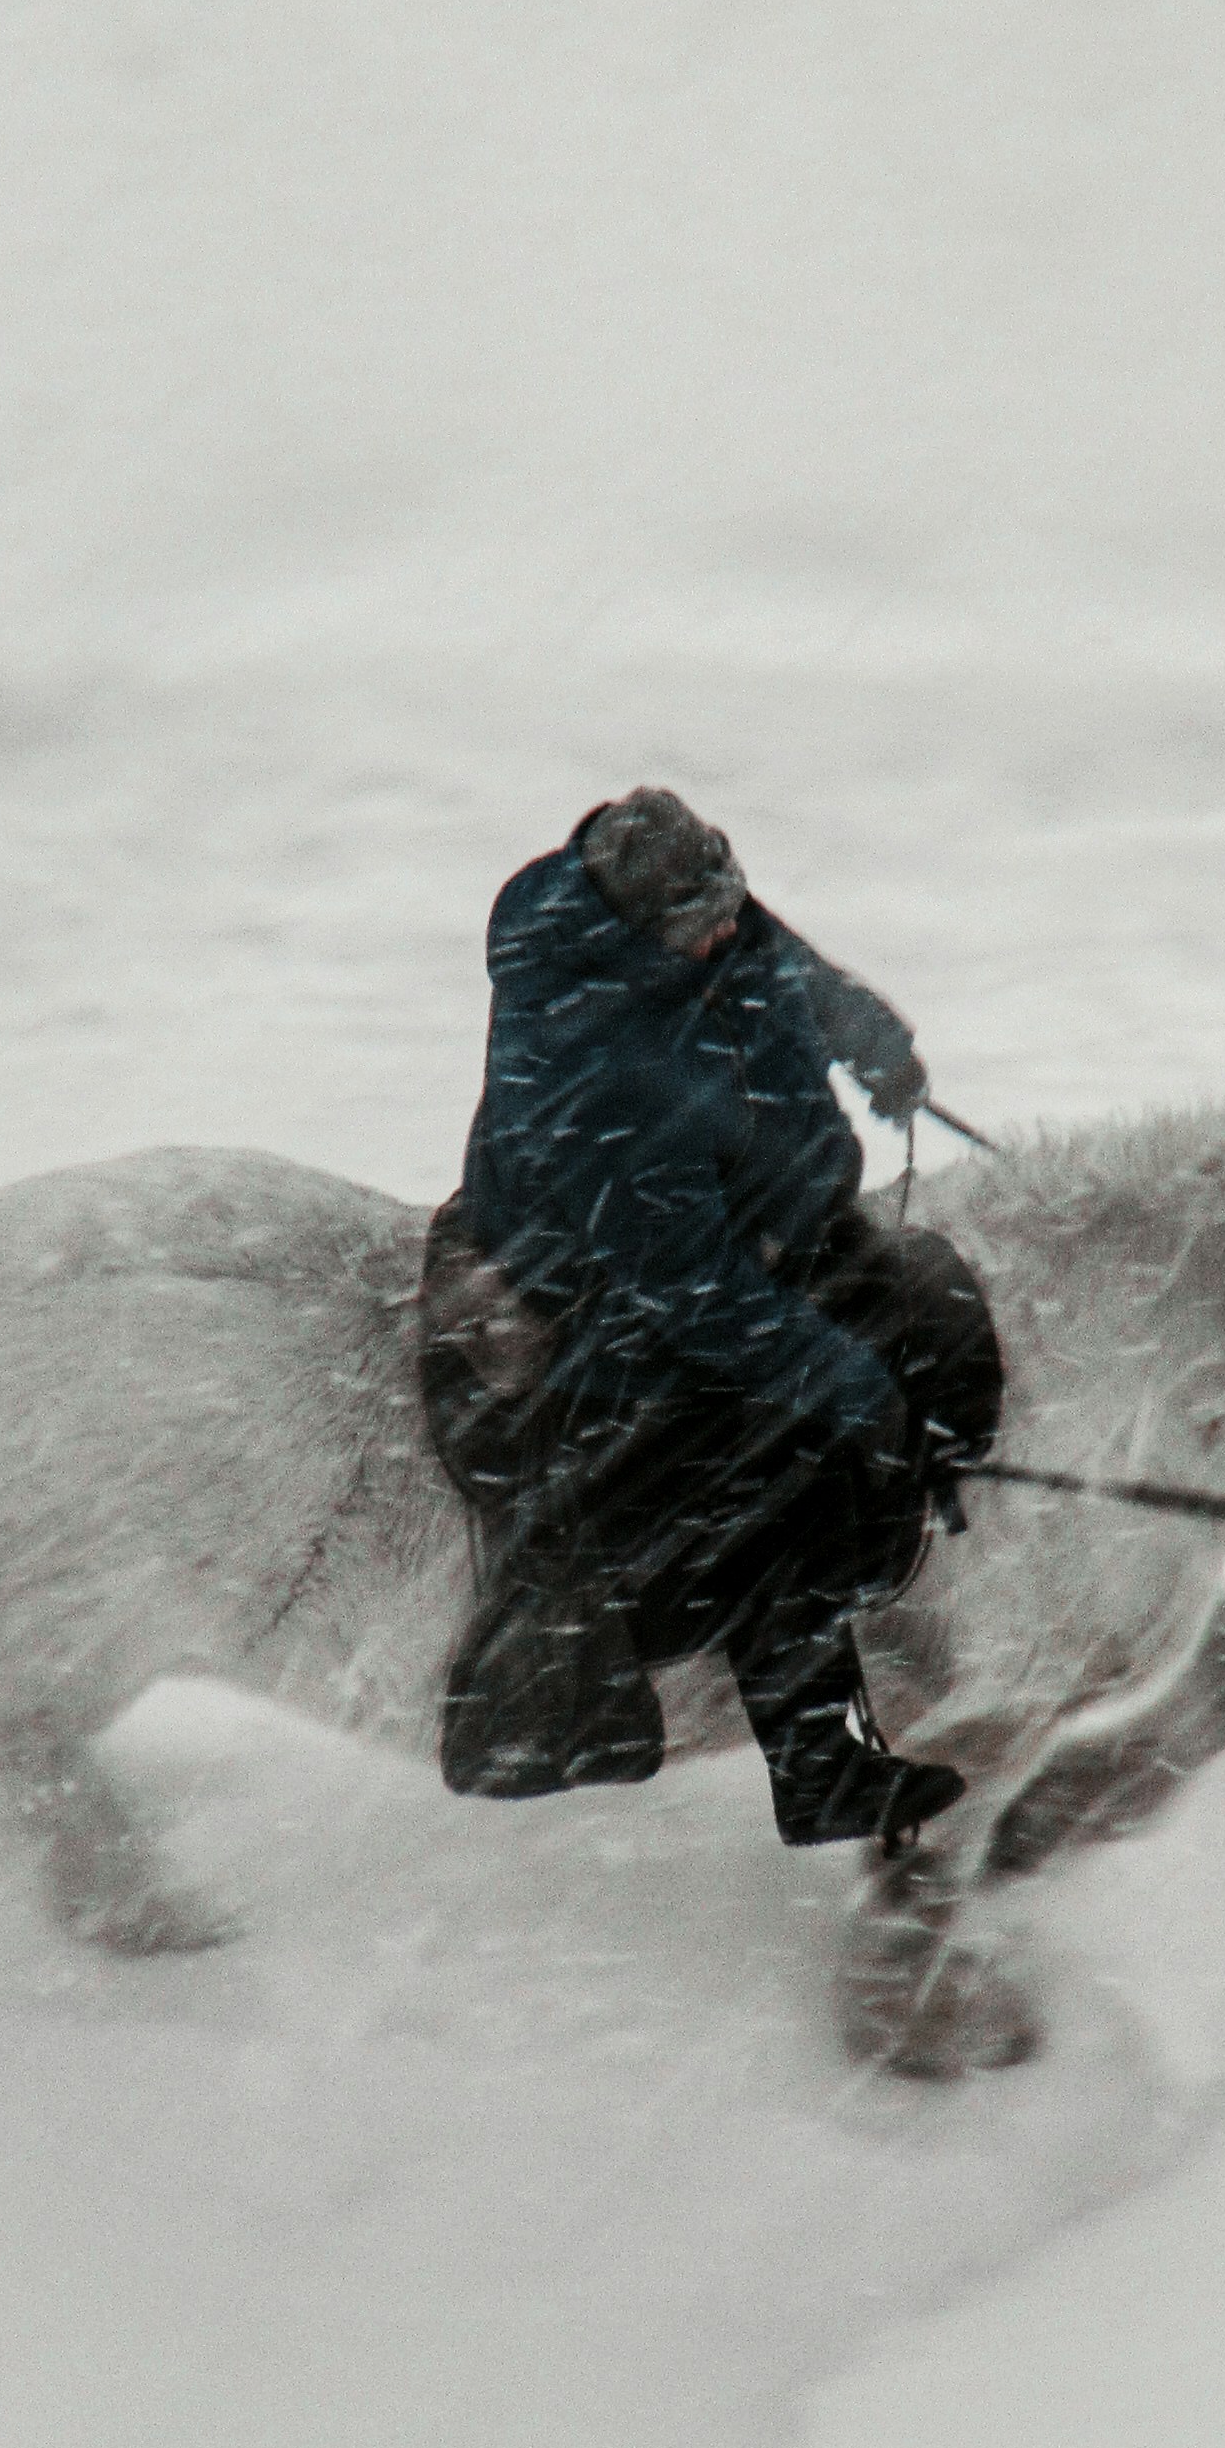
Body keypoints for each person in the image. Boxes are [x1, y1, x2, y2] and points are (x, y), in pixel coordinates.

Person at [423, 787, 999, 1851]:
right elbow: (695, 1294)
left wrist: (869, 1039)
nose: (729, 930)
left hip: (752, 1219)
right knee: (774, 1478)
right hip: (606, 1283)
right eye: (703, 926)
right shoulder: (604, 1065)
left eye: (727, 903)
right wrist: (848, 1388)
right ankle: (817, 1769)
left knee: (922, 1319)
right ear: (642, 934)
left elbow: (774, 956)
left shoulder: (674, 914)